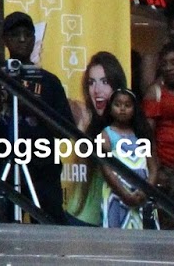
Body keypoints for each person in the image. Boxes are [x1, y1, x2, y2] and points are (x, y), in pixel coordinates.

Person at [0, 12, 74, 222]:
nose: (22, 39)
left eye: (27, 34)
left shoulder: (49, 82)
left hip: (42, 167)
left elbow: (66, 132)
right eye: (15, 34)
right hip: (0, 167)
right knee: (0, 228)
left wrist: (32, 106)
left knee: (50, 225)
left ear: (34, 39)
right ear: (5, 40)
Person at [67, 51, 129, 224]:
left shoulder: (130, 124)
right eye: (91, 83)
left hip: (118, 221)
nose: (96, 90)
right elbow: (60, 102)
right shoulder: (84, 116)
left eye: (105, 82)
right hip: (80, 221)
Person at [96, 86, 157, 229]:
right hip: (116, 194)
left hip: (142, 196)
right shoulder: (106, 135)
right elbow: (106, 169)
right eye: (117, 105)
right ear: (110, 108)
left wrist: (145, 191)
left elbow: (153, 168)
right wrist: (124, 194)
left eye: (127, 105)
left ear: (135, 109)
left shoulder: (142, 134)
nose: (122, 109)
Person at [144, 41, 174, 208]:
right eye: (164, 64)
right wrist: (156, 169)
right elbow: (148, 135)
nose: (168, 68)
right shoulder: (155, 92)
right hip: (168, 168)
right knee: (171, 224)